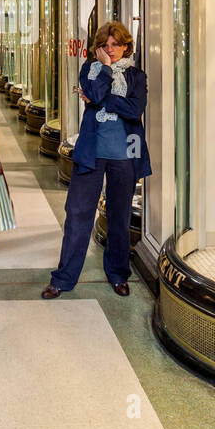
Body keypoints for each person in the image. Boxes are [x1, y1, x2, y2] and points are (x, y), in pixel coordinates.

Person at [42, 20, 151, 299]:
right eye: (104, 45)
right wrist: (101, 72)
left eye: (116, 44)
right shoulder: (89, 70)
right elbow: (95, 92)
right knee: (77, 215)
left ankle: (118, 274)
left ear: (126, 46)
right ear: (97, 48)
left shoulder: (137, 76)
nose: (110, 49)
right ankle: (63, 278)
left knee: (119, 218)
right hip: (91, 153)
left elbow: (134, 109)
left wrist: (99, 101)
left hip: (125, 155)